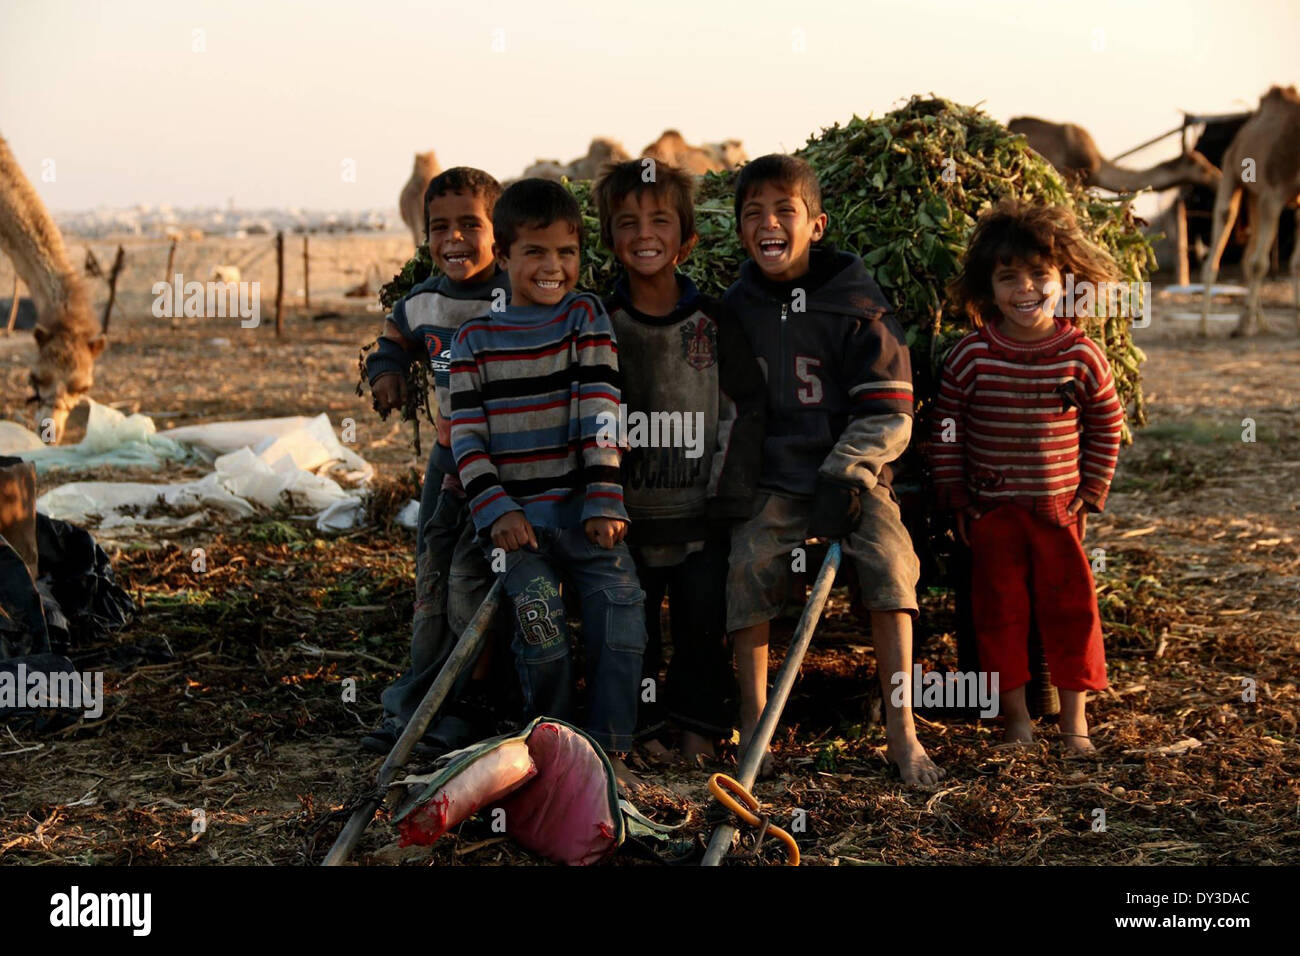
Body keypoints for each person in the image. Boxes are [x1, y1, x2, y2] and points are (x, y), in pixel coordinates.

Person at [722, 154, 942, 786]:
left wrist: (847, 475)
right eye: (753, 213)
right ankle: (754, 720)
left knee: (890, 562)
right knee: (747, 563)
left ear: (815, 225)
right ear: (739, 230)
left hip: (854, 478)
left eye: (784, 210)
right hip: (775, 478)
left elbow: (889, 409)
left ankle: (902, 729)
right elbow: (729, 408)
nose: (769, 223)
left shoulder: (857, 304)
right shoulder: (736, 309)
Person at [449, 178, 647, 787]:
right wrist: (497, 511)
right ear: (503, 256)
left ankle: (612, 752)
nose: (553, 266)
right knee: (541, 631)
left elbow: (601, 411)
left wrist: (604, 496)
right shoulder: (474, 342)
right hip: (517, 531)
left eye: (567, 252)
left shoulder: (584, 316)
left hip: (586, 514)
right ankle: (553, 750)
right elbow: (467, 439)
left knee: (620, 619)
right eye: (535, 252)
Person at [931, 198, 1123, 754]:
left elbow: (1107, 422)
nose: (1025, 289)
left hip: (1058, 513)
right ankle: (1015, 721)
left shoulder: (1082, 355)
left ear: (1063, 279)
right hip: (993, 516)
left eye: (1039, 275)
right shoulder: (972, 356)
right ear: (987, 288)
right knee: (999, 614)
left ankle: (1074, 726)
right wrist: (958, 498)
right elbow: (947, 426)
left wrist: (1090, 491)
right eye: (1008, 276)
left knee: (1072, 613)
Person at [593, 158, 765, 764]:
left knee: (700, 628)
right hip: (626, 520)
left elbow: (740, 412)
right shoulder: (599, 325)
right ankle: (640, 732)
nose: (645, 233)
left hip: (700, 514)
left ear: (686, 239)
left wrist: (724, 499)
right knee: (632, 635)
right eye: (628, 222)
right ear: (610, 238)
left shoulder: (714, 322)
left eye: (660, 220)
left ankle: (698, 731)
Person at [360, 167, 509, 755]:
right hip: (447, 462)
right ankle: (422, 700)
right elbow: (390, 338)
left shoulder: (515, 295)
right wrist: (387, 372)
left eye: (470, 225)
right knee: (432, 577)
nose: (454, 239)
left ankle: (473, 700)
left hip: (506, 463)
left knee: (476, 585)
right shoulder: (421, 302)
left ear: (499, 231)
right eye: (439, 227)